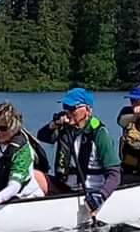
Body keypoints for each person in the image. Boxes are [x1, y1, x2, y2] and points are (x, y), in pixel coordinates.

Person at [35, 87, 121, 216]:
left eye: (72, 108)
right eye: (65, 107)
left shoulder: (100, 134)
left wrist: (101, 196)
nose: (67, 112)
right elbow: (42, 136)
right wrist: (54, 124)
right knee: (34, 175)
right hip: (66, 187)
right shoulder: (64, 128)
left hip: (91, 191)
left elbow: (115, 174)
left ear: (86, 110)